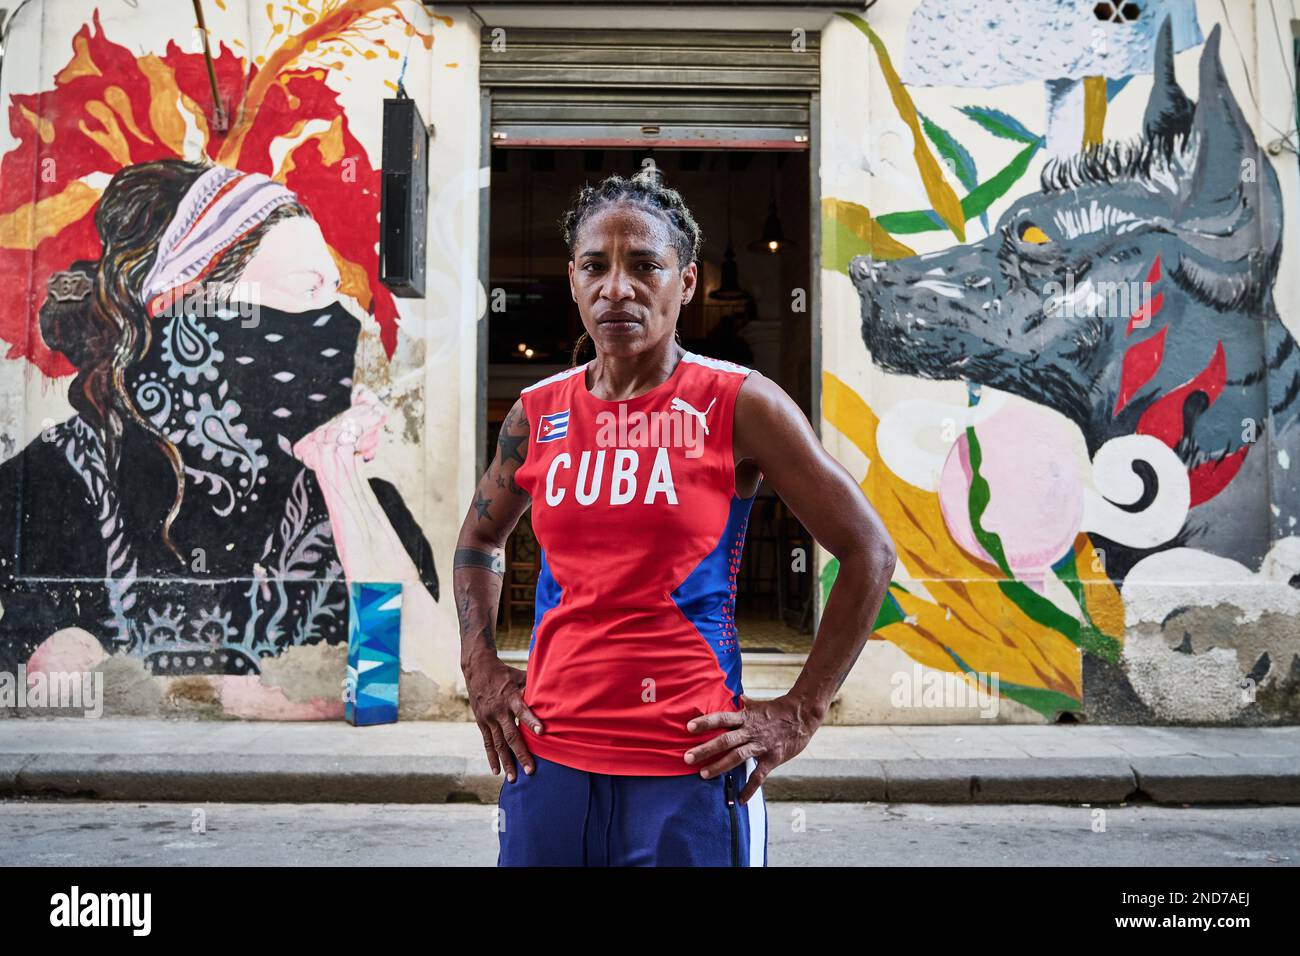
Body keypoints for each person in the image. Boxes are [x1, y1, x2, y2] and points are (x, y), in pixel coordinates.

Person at [454, 169, 897, 867]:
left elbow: (868, 550)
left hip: (691, 769)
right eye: (596, 267)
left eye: (645, 266)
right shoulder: (537, 413)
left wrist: (801, 711)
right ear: (573, 280)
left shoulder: (739, 403)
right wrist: (479, 666)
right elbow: (480, 537)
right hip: (547, 763)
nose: (618, 289)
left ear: (685, 283)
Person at [0, 158, 439, 676]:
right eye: (308, 288)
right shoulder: (49, 488)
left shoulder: (367, 507)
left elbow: (412, 677)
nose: (347, 319)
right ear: (184, 313)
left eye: (336, 290)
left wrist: (341, 475)